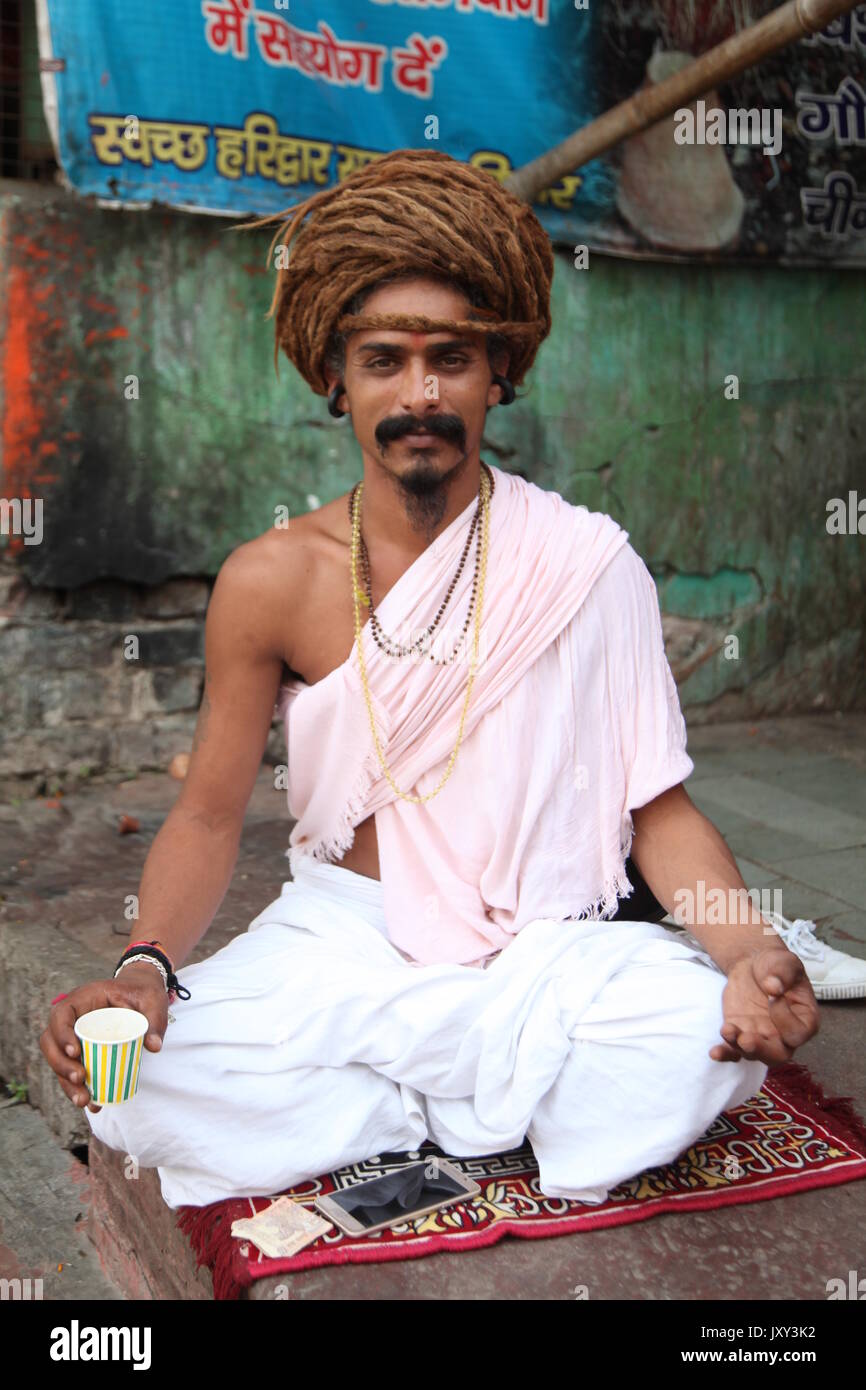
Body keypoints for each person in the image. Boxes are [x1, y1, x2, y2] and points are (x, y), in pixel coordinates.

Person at [40, 149, 820, 1211]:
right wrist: (141, 969)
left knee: (694, 1039)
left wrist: (747, 952)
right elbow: (212, 814)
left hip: (543, 946)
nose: (419, 392)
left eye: (450, 358)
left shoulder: (586, 562)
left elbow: (657, 810)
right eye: (382, 360)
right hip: (345, 938)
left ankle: (402, 1092)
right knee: (129, 1080)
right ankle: (470, 1097)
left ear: (499, 372)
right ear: (336, 380)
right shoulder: (270, 580)